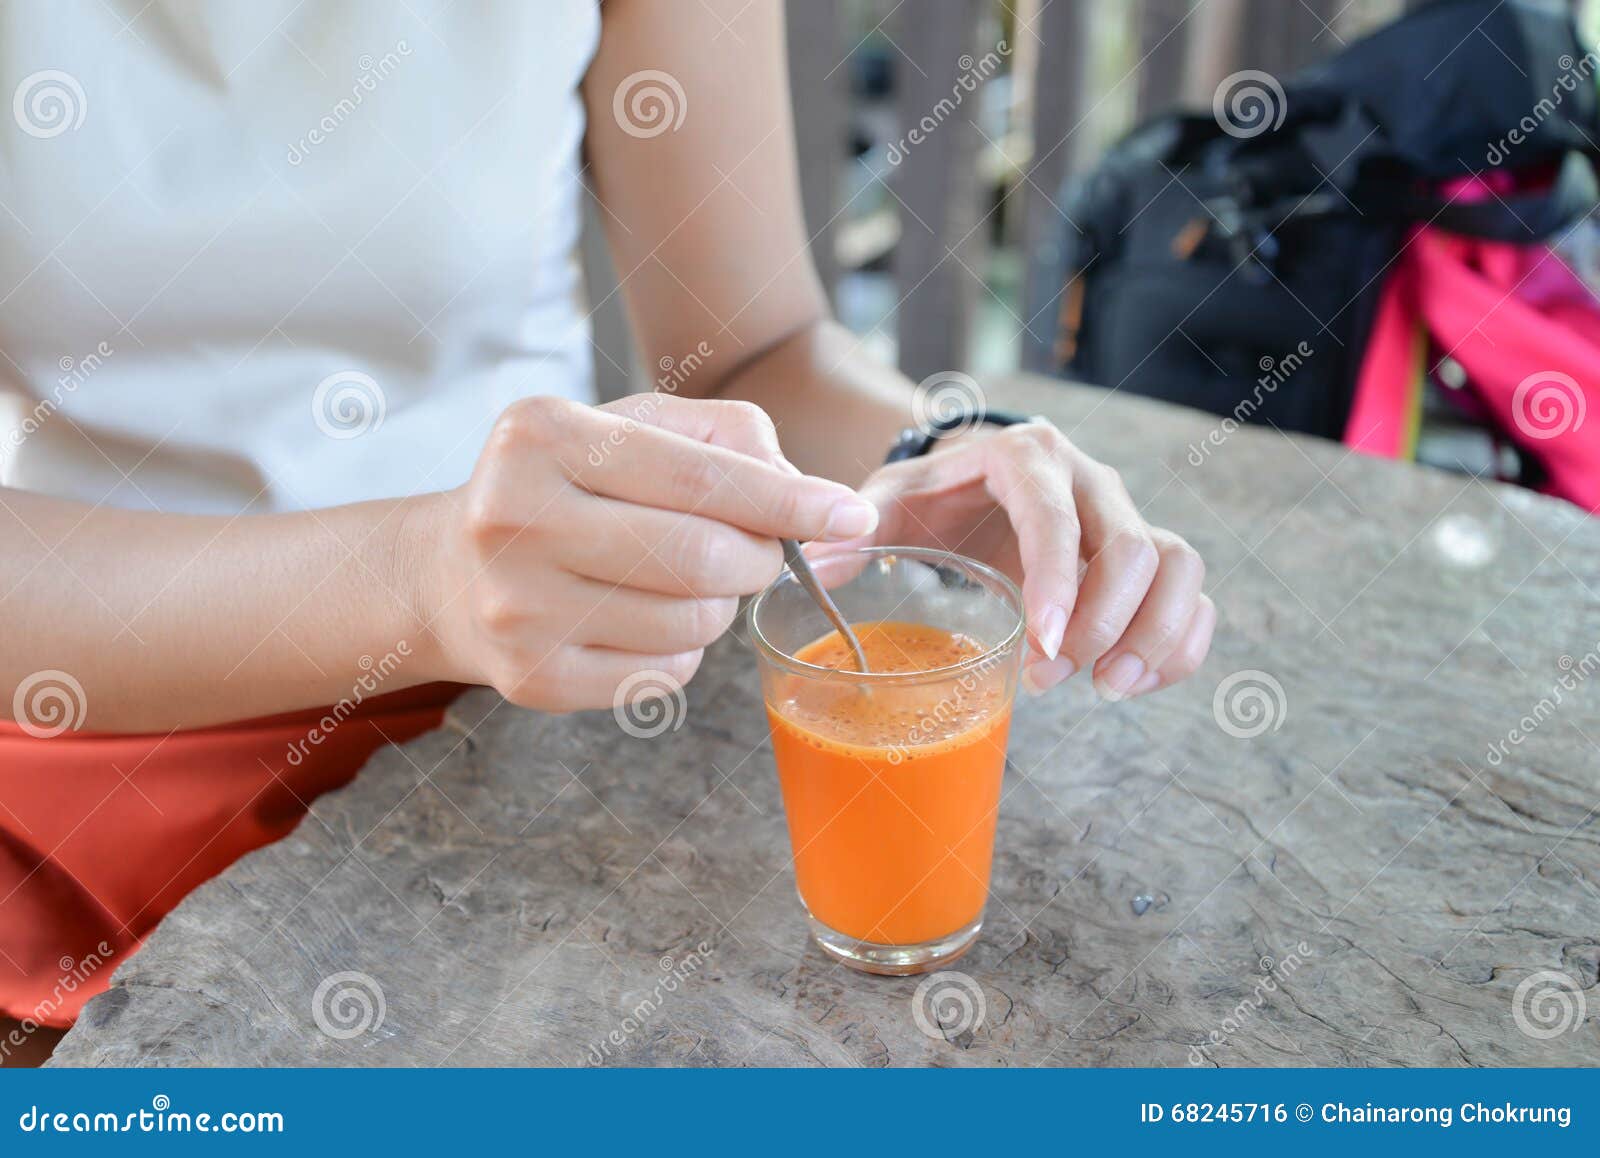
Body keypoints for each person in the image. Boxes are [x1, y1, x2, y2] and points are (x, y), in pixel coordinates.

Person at [0, 0, 1214, 1050]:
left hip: (534, 730)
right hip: (92, 753)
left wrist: (939, 450)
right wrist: (419, 582)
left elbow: (755, 350)